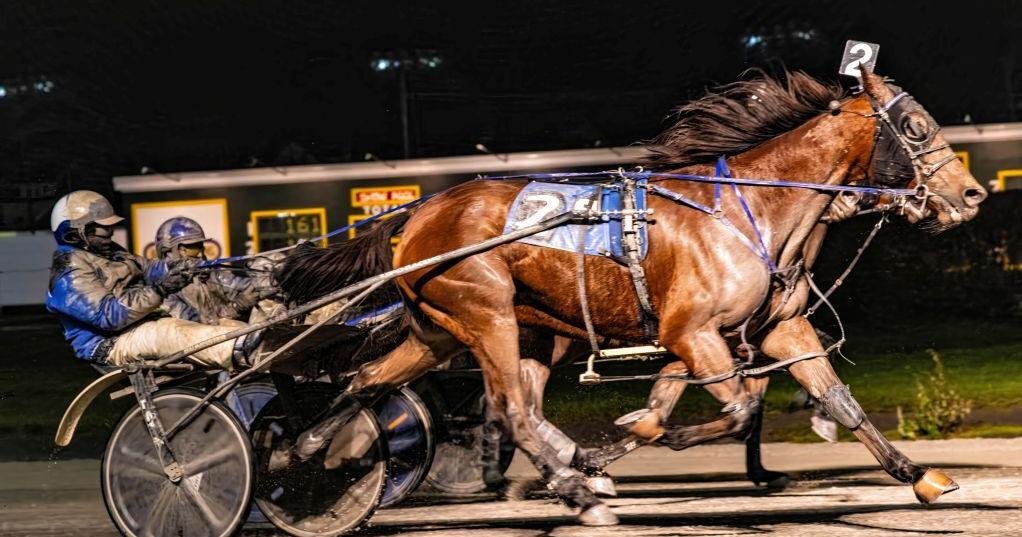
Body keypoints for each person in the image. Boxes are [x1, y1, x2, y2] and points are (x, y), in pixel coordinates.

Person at [45, 190, 257, 369]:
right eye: (102, 227)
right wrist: (161, 290)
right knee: (169, 333)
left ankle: (257, 345)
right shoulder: (68, 270)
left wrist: (184, 266)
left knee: (228, 327)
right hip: (109, 343)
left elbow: (151, 268)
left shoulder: (112, 252)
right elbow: (108, 316)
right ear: (75, 232)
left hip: (141, 327)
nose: (110, 231)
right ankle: (243, 350)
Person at [154, 216, 277, 325]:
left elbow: (243, 286)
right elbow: (196, 326)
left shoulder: (210, 273)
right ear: (169, 252)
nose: (201, 255)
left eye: (201, 247)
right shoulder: (161, 291)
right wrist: (237, 306)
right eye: (194, 249)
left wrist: (274, 279)